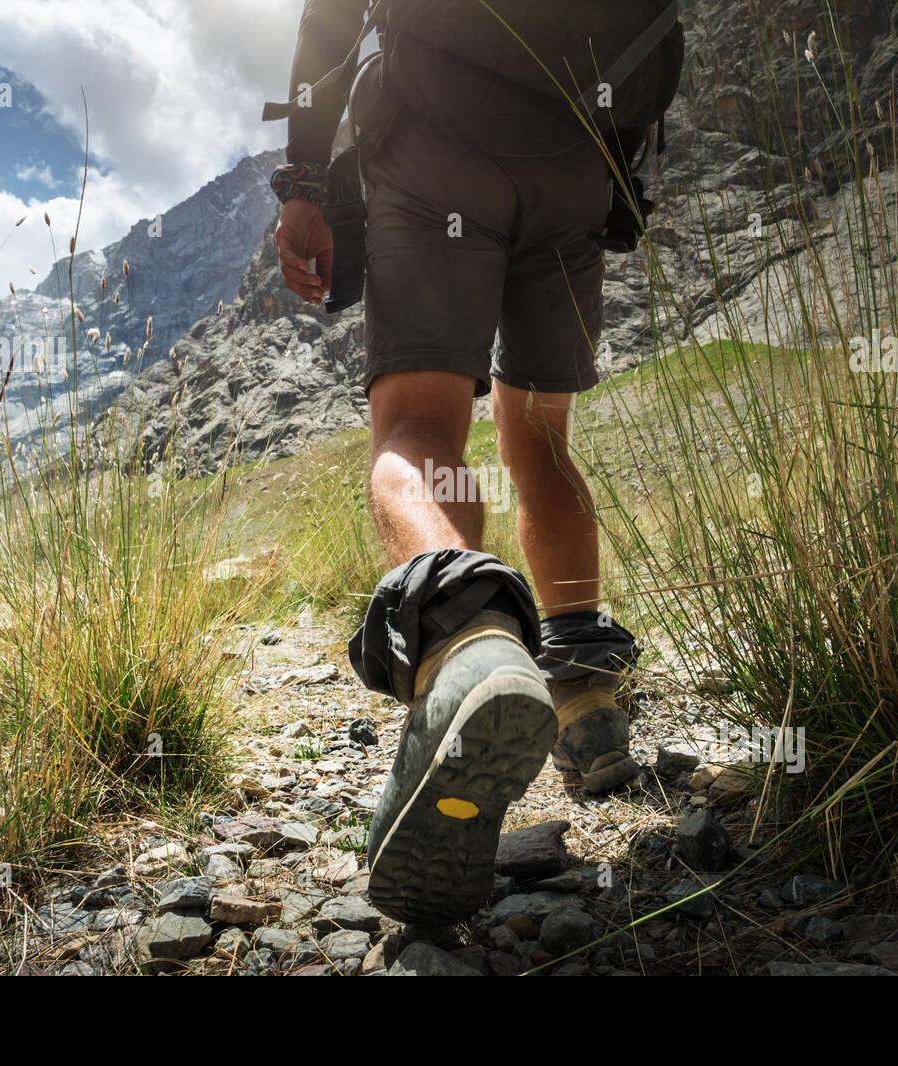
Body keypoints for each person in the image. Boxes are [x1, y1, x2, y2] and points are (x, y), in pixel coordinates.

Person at [267, 0, 680, 925]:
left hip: (436, 129)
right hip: (576, 154)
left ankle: (469, 642)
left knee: (418, 423)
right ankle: (584, 693)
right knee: (540, 435)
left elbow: (331, 16)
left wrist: (300, 179)